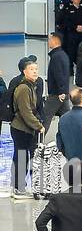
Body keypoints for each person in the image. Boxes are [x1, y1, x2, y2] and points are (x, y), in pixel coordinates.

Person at [9, 58, 45, 200]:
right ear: (24, 72)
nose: (35, 71)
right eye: (31, 69)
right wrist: (38, 125)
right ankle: (18, 187)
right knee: (21, 158)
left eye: (36, 69)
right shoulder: (24, 88)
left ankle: (19, 186)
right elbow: (26, 112)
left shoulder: (31, 86)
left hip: (25, 128)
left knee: (22, 157)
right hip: (21, 129)